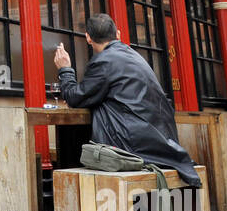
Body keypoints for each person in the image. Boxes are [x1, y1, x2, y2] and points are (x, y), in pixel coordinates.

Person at [51, 13, 201, 188]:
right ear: (118, 34)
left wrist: (65, 70)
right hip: (161, 140)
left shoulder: (103, 61)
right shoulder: (135, 57)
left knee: (76, 143)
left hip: (132, 144)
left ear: (88, 38)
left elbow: (75, 97)